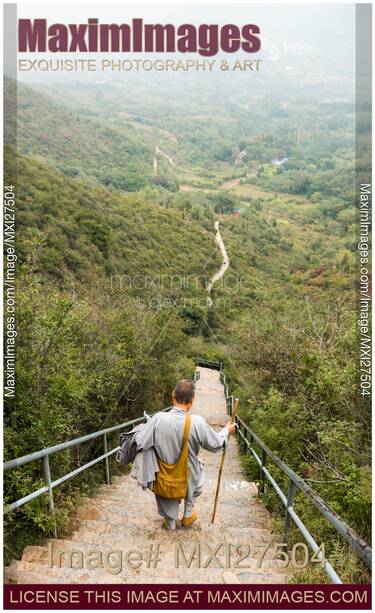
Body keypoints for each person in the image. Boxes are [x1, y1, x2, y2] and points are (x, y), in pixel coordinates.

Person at [134, 379, 235, 530]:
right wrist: (226, 430)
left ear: (173, 395)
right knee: (197, 473)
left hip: (164, 475)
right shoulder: (197, 422)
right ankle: (188, 514)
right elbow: (215, 445)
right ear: (192, 400)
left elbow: (141, 441)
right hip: (189, 476)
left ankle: (170, 524)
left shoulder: (158, 419)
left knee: (165, 488)